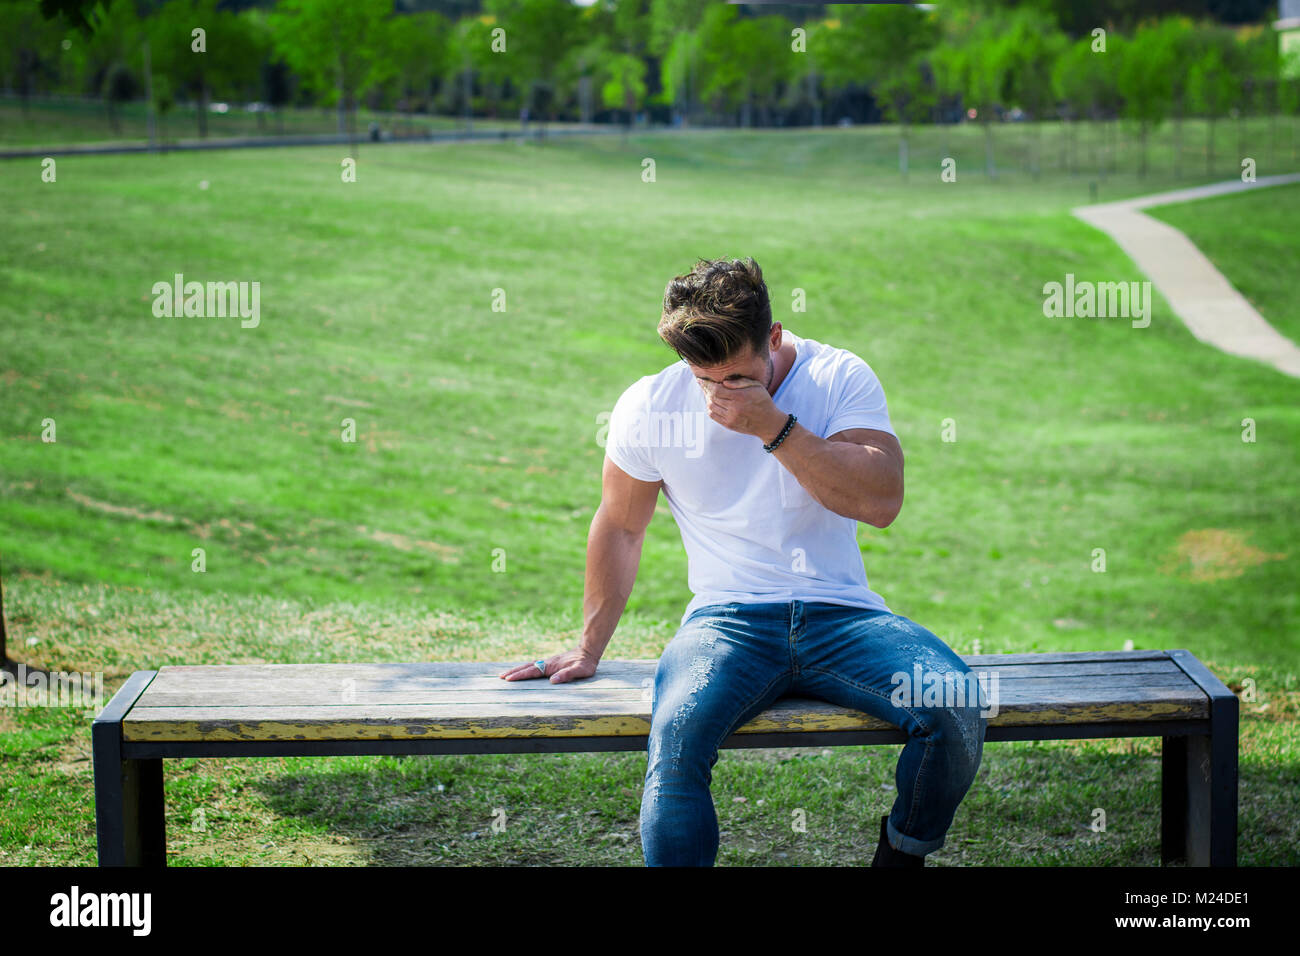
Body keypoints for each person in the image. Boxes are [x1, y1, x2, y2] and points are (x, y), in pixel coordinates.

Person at [501, 257, 988, 866]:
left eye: (736, 376)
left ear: (775, 338)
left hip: (844, 616)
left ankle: (900, 856)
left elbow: (881, 500)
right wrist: (589, 646)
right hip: (725, 623)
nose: (718, 395)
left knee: (955, 705)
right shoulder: (651, 404)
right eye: (703, 377)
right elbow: (622, 526)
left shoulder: (838, 375)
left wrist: (774, 427)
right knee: (675, 747)